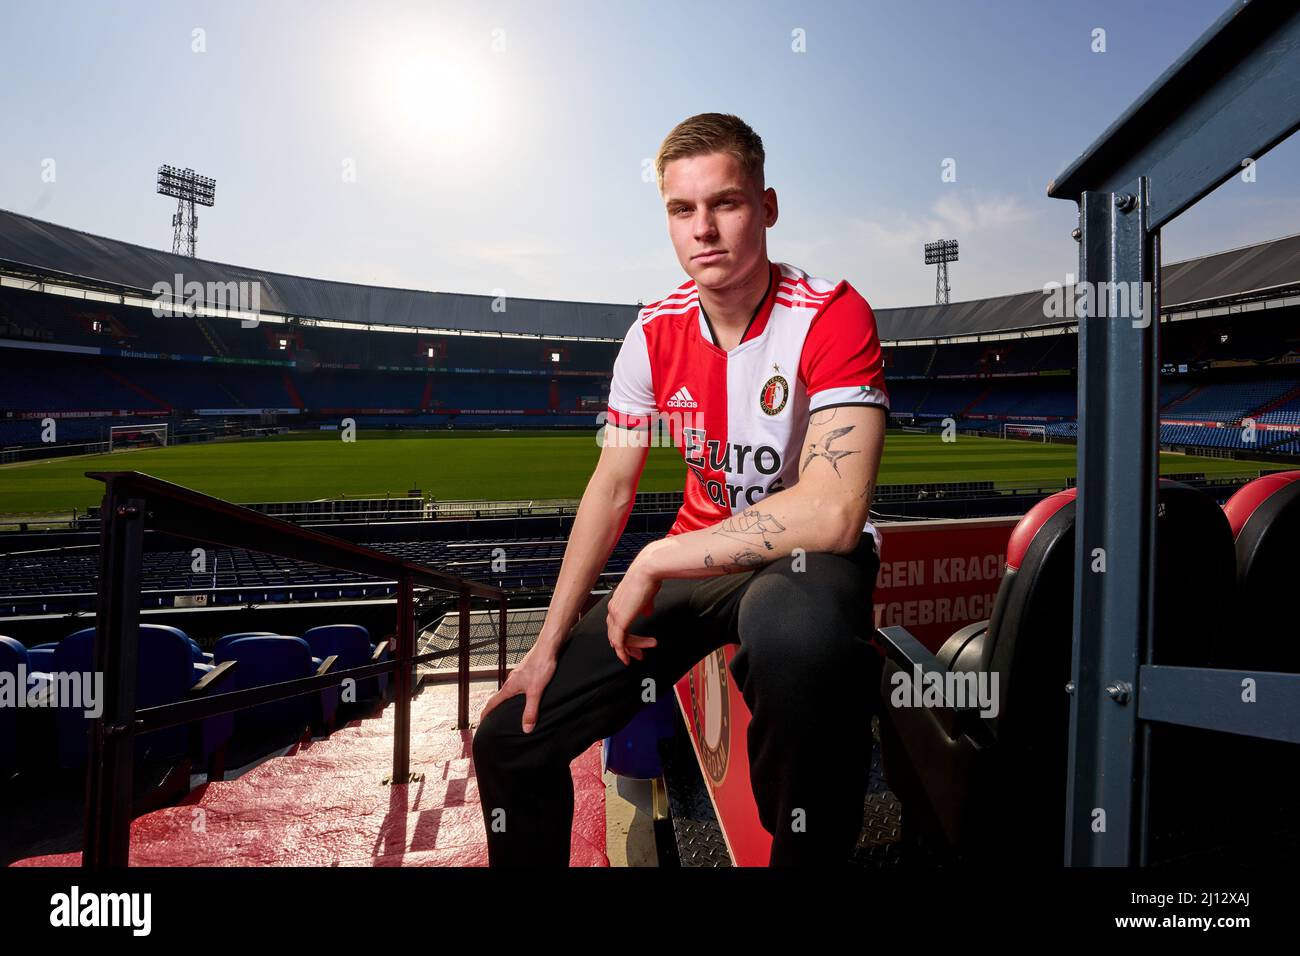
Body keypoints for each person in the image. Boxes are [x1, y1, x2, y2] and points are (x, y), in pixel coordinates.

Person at [471, 112, 890, 866]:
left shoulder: (832, 314)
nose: (705, 228)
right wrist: (546, 644)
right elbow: (611, 486)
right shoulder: (651, 332)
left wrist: (656, 559)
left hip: (801, 564)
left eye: (725, 203)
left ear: (766, 207)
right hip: (702, 564)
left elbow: (832, 510)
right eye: (682, 209)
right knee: (511, 735)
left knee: (800, 646)